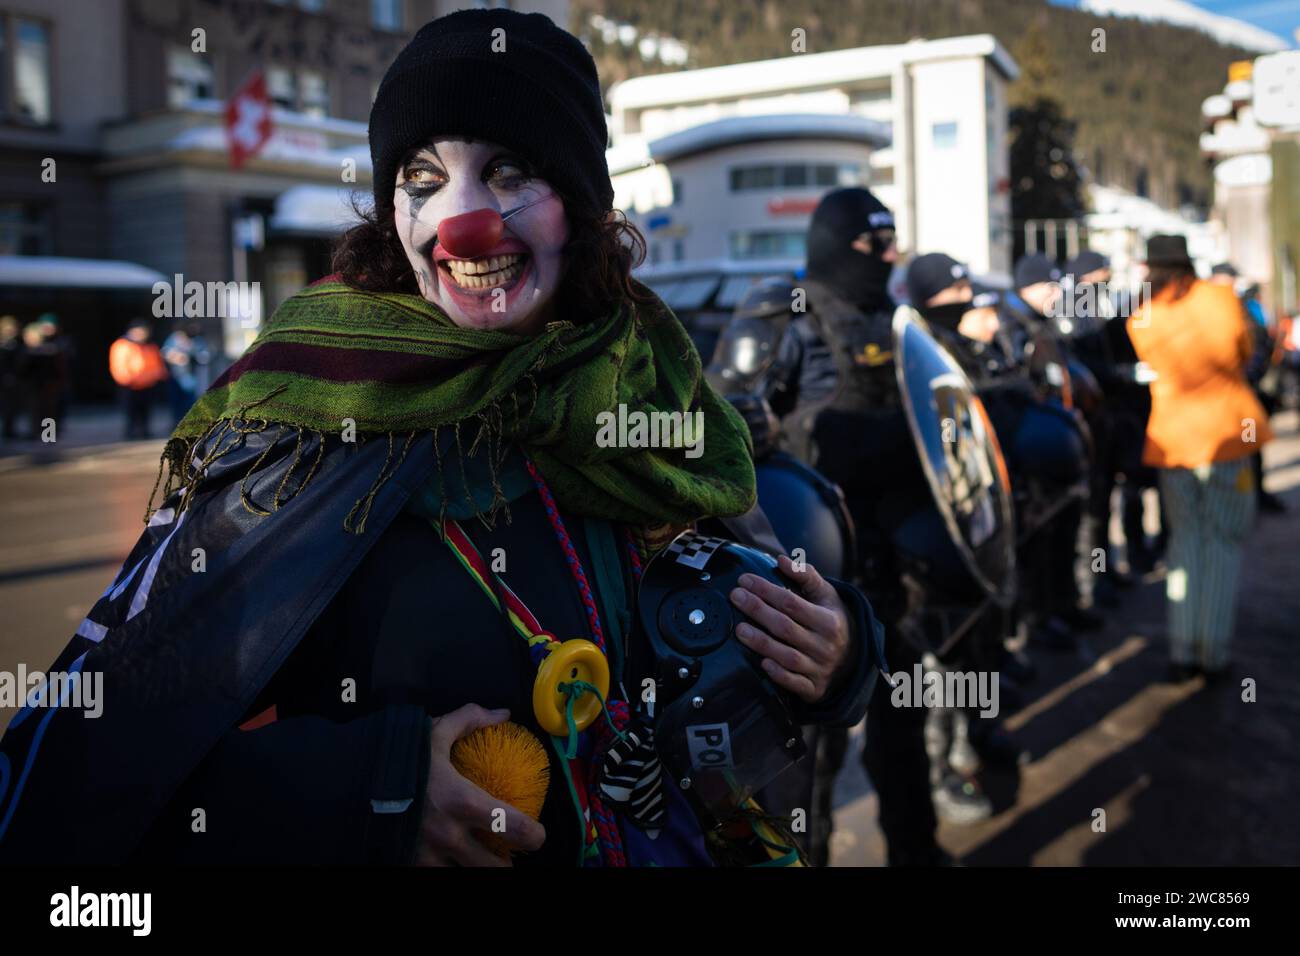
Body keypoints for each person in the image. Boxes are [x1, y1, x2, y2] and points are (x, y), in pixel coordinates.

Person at [0, 9, 883, 868]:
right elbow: (63, 781)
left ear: (580, 205)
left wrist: (841, 649)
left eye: (508, 171)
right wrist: (366, 793)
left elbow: (768, 600)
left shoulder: (646, 379)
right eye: (422, 177)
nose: (462, 222)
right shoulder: (305, 423)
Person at [764, 188, 970, 862]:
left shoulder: (901, 321)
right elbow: (732, 434)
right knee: (811, 763)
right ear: (837, 242)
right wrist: (833, 439)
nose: (889, 255)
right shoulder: (787, 314)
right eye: (873, 243)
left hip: (894, 570)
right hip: (813, 576)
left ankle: (918, 852)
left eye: (892, 242)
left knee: (901, 735)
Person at [1128, 236, 1272, 681]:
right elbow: (1244, 354)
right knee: (1222, 543)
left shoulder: (1142, 316)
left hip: (1174, 441)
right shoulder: (1220, 299)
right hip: (1227, 435)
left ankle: (1182, 650)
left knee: (1185, 542)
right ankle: (1214, 652)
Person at [1209, 263, 1285, 514]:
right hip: (1220, 400)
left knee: (1250, 447)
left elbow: (1257, 346)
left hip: (1244, 395)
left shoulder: (1242, 309)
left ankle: (1254, 497)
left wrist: (1247, 375)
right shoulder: (1209, 310)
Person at [109, 319, 167, 439]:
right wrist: (125, 379)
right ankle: (130, 432)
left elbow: (157, 363)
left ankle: (144, 431)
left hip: (148, 384)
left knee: (146, 411)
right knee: (131, 411)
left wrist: (160, 375)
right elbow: (119, 364)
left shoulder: (150, 346)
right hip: (130, 385)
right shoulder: (122, 345)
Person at [162, 322, 212, 426]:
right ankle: (177, 424)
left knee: (190, 402)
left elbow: (205, 356)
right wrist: (174, 356)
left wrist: (191, 357)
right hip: (176, 377)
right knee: (176, 404)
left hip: (192, 378)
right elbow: (164, 352)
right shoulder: (174, 339)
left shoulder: (197, 340)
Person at [0, 315, 22, 439]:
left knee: (13, 407)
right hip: (5, 380)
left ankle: (10, 430)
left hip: (15, 380)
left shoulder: (17, 344)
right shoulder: (4, 346)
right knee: (7, 407)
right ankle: (7, 431)